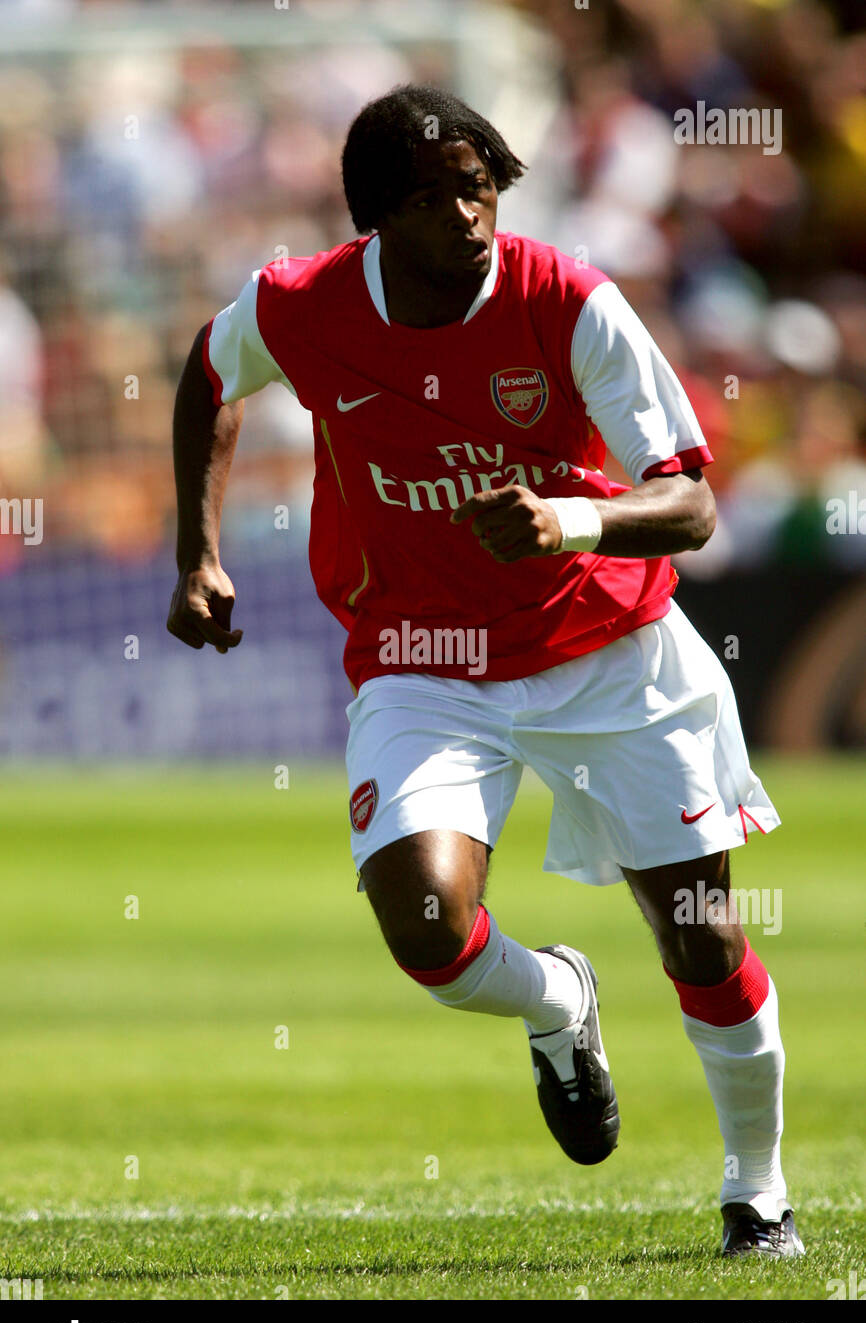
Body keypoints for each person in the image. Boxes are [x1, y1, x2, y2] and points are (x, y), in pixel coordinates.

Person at [168, 84, 803, 1258]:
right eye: (430, 196)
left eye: (478, 184)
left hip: (605, 650)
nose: (465, 213)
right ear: (374, 217)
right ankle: (559, 999)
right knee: (421, 925)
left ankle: (754, 1194)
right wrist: (197, 552)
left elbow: (691, 498)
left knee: (703, 938)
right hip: (422, 662)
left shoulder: (565, 299)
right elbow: (208, 375)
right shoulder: (300, 305)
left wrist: (569, 522)